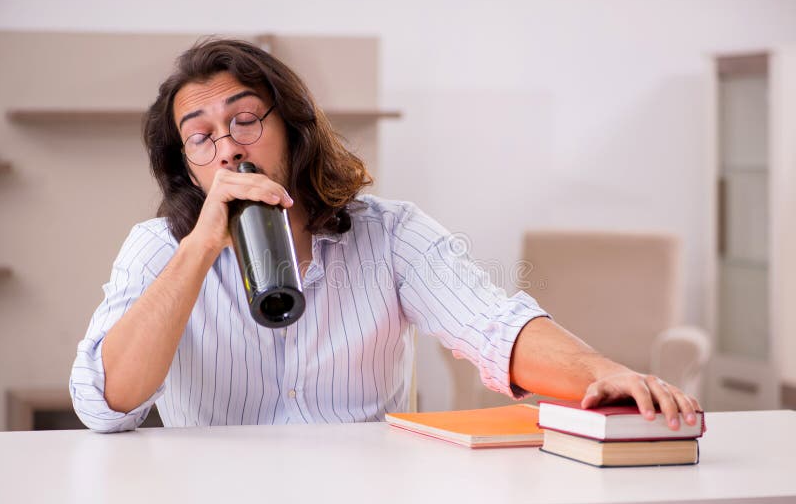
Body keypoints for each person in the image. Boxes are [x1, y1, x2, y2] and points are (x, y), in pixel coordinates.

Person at [70, 38, 702, 433]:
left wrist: (606, 373)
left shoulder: (392, 234)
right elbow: (107, 404)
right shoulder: (158, 249)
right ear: (187, 165)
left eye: (245, 119)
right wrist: (202, 247)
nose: (229, 145)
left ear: (294, 129)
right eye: (202, 135)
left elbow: (493, 325)